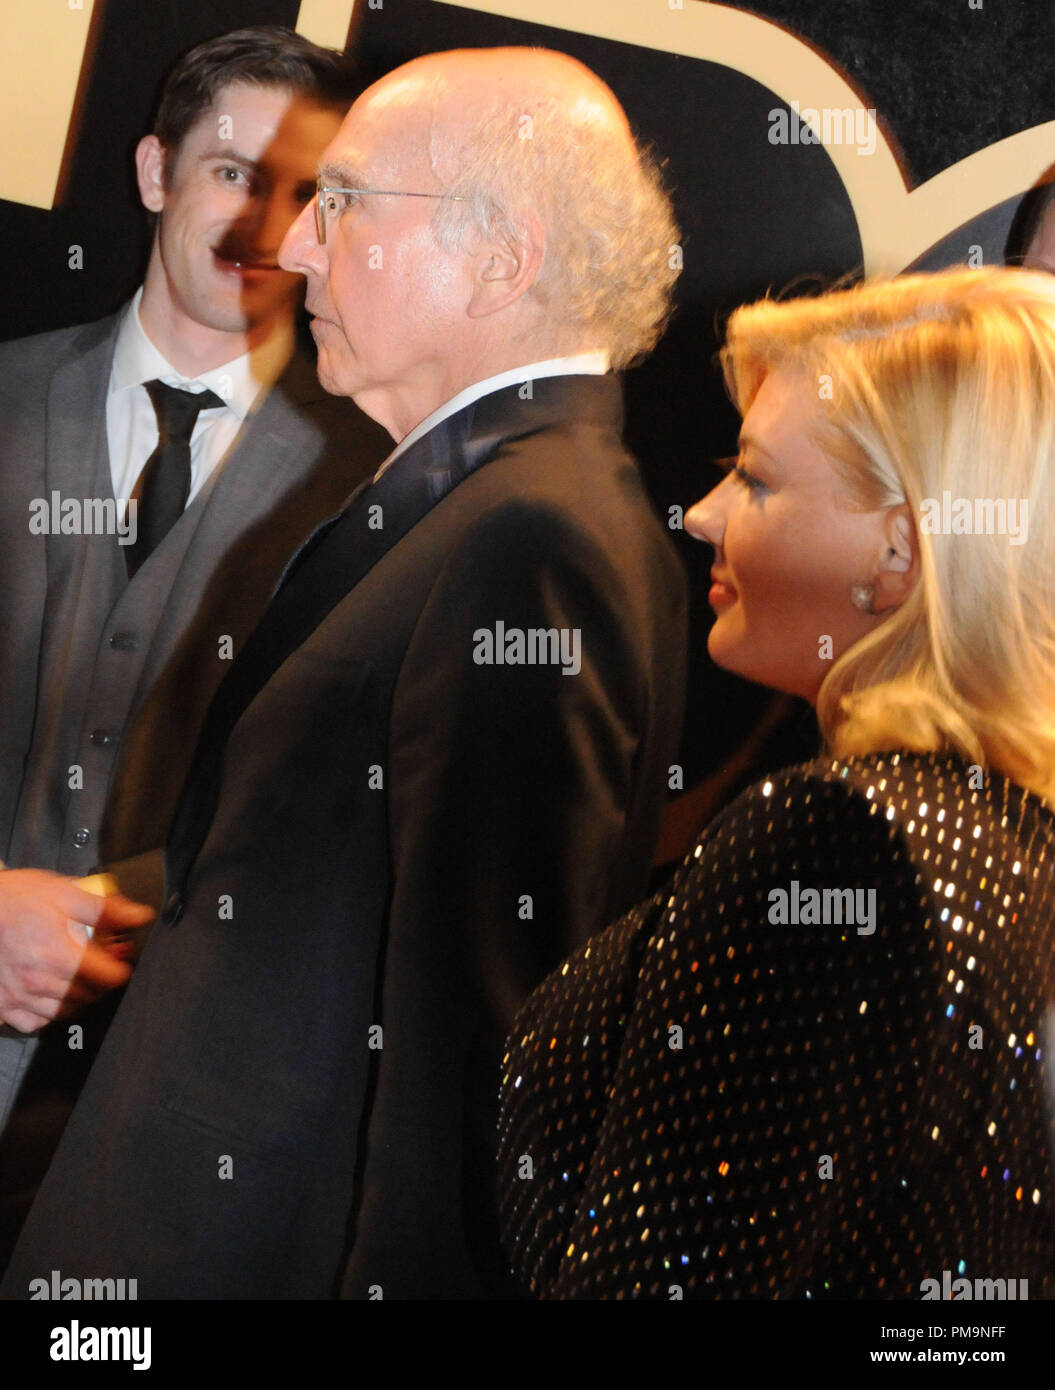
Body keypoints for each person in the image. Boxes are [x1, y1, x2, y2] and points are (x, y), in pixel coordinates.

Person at [1, 46, 687, 1299]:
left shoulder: (531, 536)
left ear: (500, 257)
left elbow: (480, 1053)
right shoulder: (480, 498)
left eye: (345, 200)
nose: (298, 246)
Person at [497, 266, 1055, 1299]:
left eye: (753, 479)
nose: (701, 514)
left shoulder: (842, 837)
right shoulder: (1008, 831)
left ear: (896, 551)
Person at [0, 27, 389, 1253]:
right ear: (154, 170)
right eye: (232, 171)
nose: (265, 226)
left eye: (306, 191)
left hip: (157, 1130)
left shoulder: (369, 488)